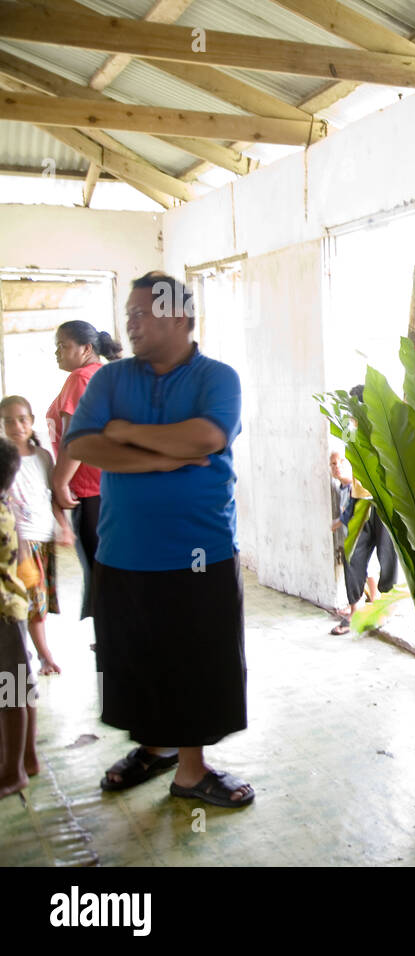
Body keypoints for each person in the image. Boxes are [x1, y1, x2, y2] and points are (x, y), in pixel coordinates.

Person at [63, 272, 253, 808]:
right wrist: (166, 458)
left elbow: (208, 436)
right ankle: (154, 748)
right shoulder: (110, 380)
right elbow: (83, 443)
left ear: (179, 317)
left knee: (195, 659)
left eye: (141, 313)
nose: (130, 323)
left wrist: (124, 431)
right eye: (128, 313)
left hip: (200, 551)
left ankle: (190, 770)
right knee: (134, 657)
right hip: (123, 550)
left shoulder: (218, 378)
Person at [47, 320, 120, 621]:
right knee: (108, 566)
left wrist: (60, 481)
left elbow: (76, 435)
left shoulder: (80, 378)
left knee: (98, 568)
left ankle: (109, 637)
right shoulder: (106, 374)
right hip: (108, 486)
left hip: (90, 490)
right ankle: (112, 634)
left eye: (63, 346)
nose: (57, 352)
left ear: (86, 348)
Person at [0, 396, 74, 676]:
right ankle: (44, 656)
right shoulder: (4, 458)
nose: (16, 426)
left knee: (36, 603)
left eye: (22, 419)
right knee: (32, 604)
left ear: (31, 422)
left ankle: (30, 651)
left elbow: (52, 495)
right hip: (19, 544)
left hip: (42, 541)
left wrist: (63, 526)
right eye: (8, 420)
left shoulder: (43, 457)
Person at [329, 388, 397, 635]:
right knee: (352, 555)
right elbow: (349, 458)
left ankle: (383, 610)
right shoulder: (350, 429)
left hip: (383, 500)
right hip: (360, 500)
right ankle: (354, 612)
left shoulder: (384, 427)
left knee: (387, 557)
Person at [0, 437, 39, 801]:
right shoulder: (5, 504)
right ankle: (27, 760)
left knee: (10, 697)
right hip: (12, 611)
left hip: (5, 617)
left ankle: (13, 772)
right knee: (19, 692)